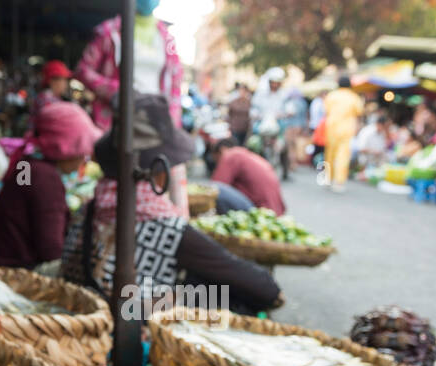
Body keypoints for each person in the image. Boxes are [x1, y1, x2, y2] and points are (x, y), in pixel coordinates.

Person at [63, 94, 281, 314]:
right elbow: (265, 289)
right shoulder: (164, 227)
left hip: (90, 310)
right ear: (159, 172)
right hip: (132, 321)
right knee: (222, 296)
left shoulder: (90, 208)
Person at [0, 102, 101, 270]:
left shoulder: (27, 164)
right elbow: (52, 250)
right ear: (65, 147)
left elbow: (23, 201)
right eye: (81, 149)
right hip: (19, 271)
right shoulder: (45, 178)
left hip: (2, 259)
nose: (84, 157)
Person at [75, 0, 182, 133]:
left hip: (154, 125)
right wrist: (115, 92)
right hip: (115, 121)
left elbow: (175, 86)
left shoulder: (167, 40)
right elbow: (83, 70)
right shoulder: (110, 32)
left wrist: (171, 124)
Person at [208, 139, 286, 214]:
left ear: (222, 149)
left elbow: (215, 186)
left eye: (217, 160)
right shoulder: (246, 155)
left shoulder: (231, 155)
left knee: (217, 188)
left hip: (261, 210)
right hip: (274, 210)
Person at [323, 75, 363, 191]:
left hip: (331, 128)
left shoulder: (331, 96)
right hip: (346, 129)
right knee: (343, 156)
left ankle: (327, 179)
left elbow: (326, 110)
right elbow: (359, 112)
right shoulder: (354, 97)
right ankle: (339, 182)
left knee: (329, 154)